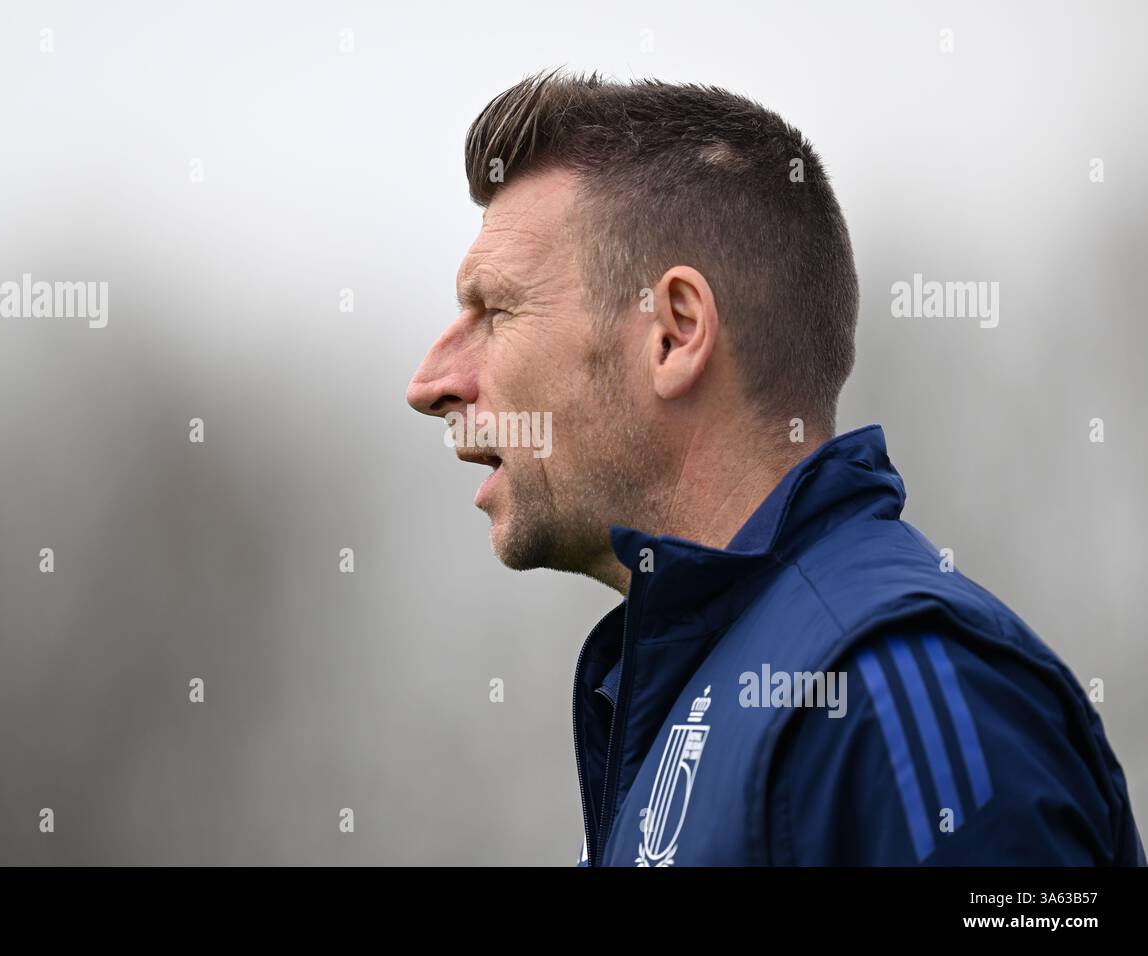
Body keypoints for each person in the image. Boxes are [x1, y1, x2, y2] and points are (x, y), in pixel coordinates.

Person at [406, 70, 1144, 866]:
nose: (431, 383)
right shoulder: (691, 695)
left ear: (675, 332)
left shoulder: (890, 692)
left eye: (498, 310)